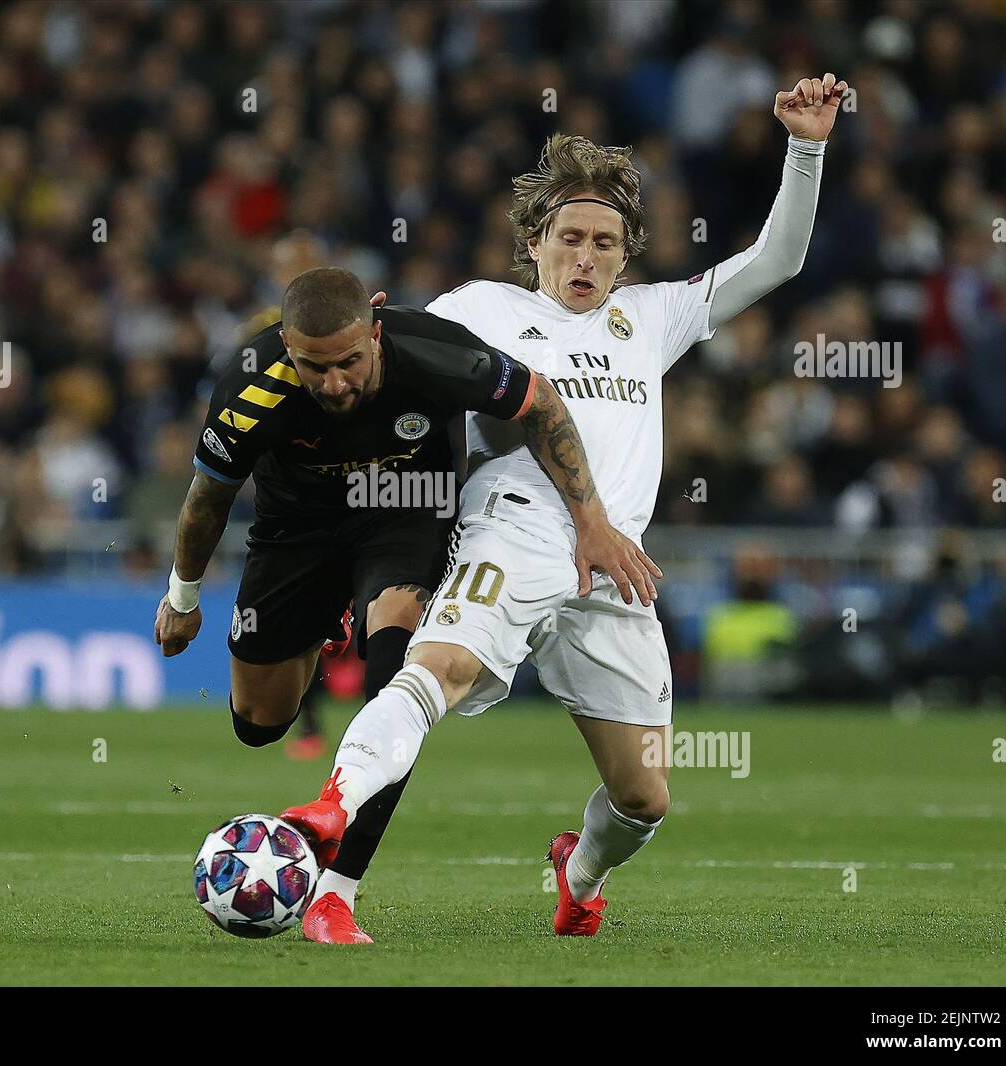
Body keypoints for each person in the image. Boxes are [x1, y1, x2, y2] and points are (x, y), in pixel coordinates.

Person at [283, 74, 847, 941]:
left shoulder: (651, 319)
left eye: (606, 244)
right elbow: (387, 381)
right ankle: (328, 819)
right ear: (535, 243)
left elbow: (779, 262)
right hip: (516, 529)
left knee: (645, 794)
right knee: (438, 670)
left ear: (627, 257)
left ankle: (579, 873)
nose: (586, 258)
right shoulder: (482, 309)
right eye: (570, 238)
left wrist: (804, 147)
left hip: (618, 564)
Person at [155, 266, 657, 942]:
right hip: (295, 533)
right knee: (259, 720)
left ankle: (338, 893)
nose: (335, 384)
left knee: (397, 673)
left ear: (377, 323)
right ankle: (332, 623)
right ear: (285, 345)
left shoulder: (440, 351)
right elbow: (207, 499)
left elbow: (544, 406)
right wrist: (182, 597)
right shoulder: (249, 388)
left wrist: (591, 519)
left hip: (405, 520)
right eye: (313, 367)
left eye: (350, 362)